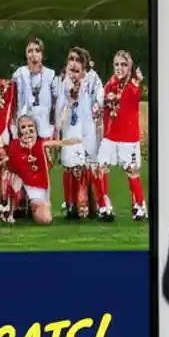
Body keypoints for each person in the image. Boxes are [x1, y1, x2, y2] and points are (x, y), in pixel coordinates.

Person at [97, 51, 147, 221]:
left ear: (130, 67)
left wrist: (137, 81)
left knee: (132, 171)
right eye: (117, 64)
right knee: (101, 167)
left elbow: (130, 100)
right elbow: (103, 103)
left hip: (128, 137)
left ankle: (140, 206)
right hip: (111, 135)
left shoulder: (133, 85)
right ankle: (104, 206)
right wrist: (103, 103)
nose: (119, 68)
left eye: (123, 65)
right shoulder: (110, 84)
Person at [56, 58, 99, 220]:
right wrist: (70, 102)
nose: (73, 72)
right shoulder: (63, 86)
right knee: (69, 167)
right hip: (69, 132)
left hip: (84, 132)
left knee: (81, 169)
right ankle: (70, 204)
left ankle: (85, 204)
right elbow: (60, 117)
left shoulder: (90, 83)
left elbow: (96, 104)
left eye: (77, 68)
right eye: (70, 67)